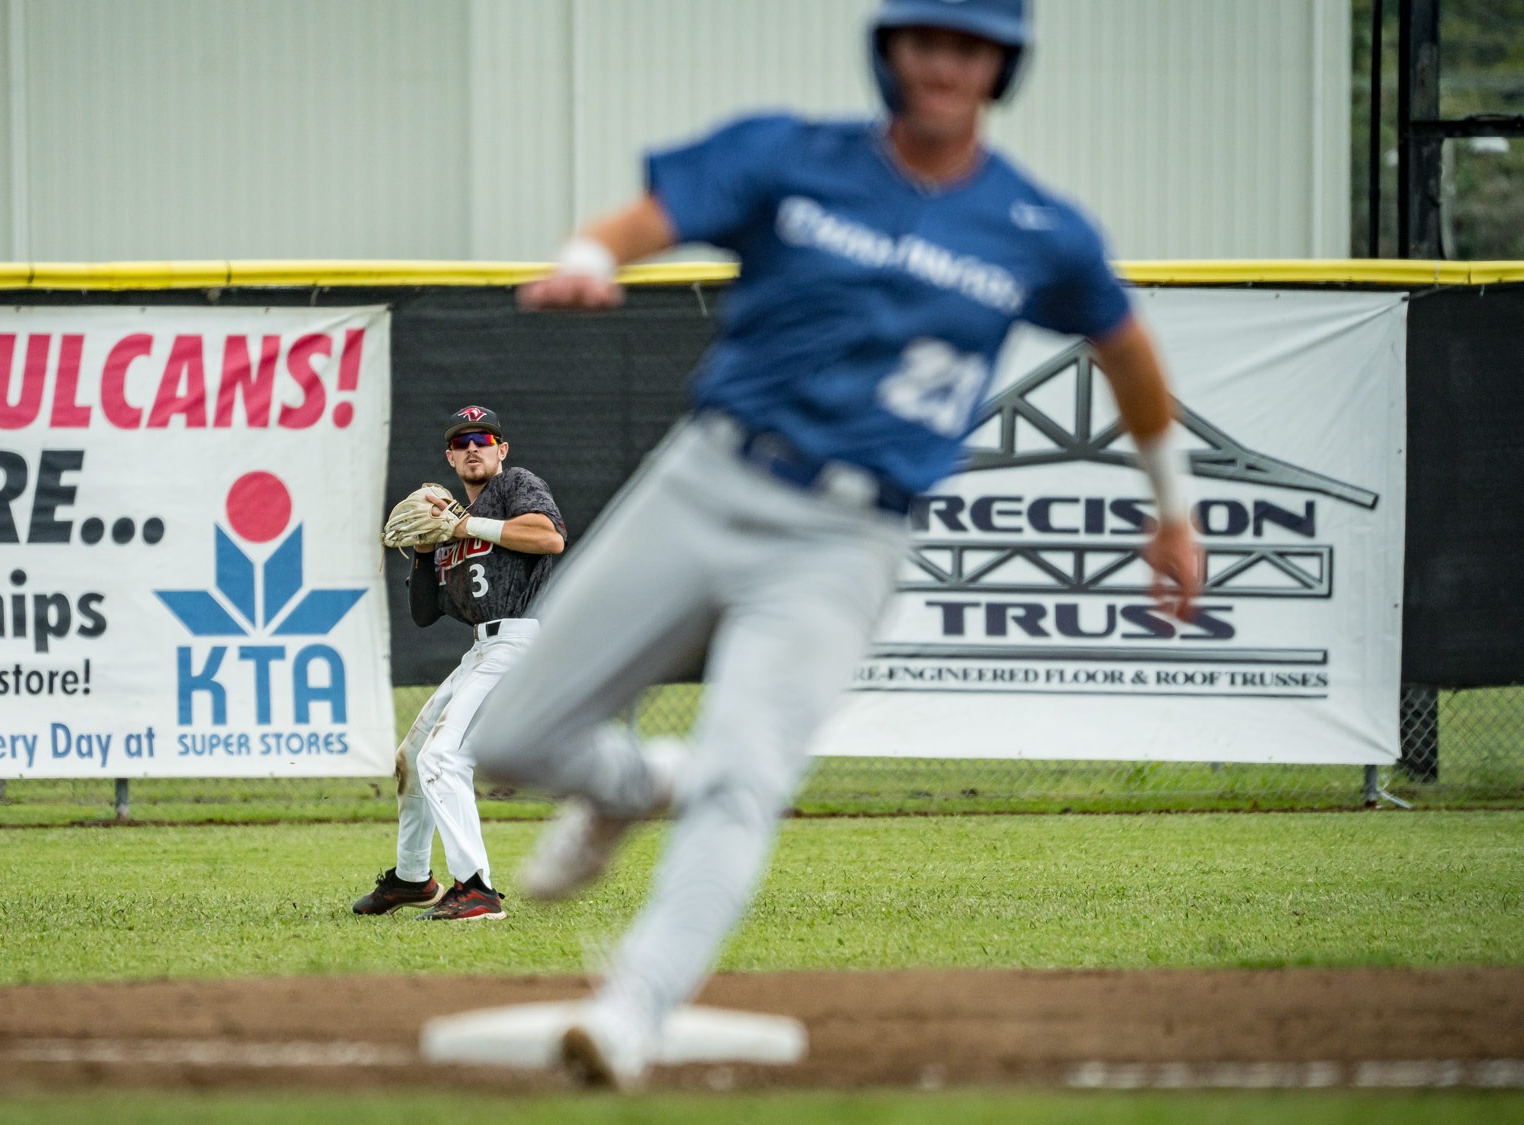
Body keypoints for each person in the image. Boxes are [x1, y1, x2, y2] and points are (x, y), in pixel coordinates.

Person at [472, 0, 1204, 1087]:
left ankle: (630, 1012)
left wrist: (1171, 508)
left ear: (1000, 63)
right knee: (506, 744)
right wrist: (587, 254)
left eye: (967, 45)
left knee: (748, 783)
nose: (943, 63)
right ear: (889, 53)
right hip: (709, 476)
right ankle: (638, 783)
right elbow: (656, 211)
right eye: (925, 41)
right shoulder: (796, 156)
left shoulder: (1036, 227)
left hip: (846, 533)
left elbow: (1126, 349)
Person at [352, 406, 568, 922]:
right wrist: (427, 551)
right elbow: (426, 615)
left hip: (521, 642)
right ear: (450, 456)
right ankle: (411, 878)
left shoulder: (515, 486)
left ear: (501, 449)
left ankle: (477, 889)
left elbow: (549, 537)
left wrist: (465, 523)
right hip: (483, 647)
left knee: (444, 759)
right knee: (413, 755)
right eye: (462, 441)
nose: (474, 447)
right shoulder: (449, 523)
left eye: (484, 438)